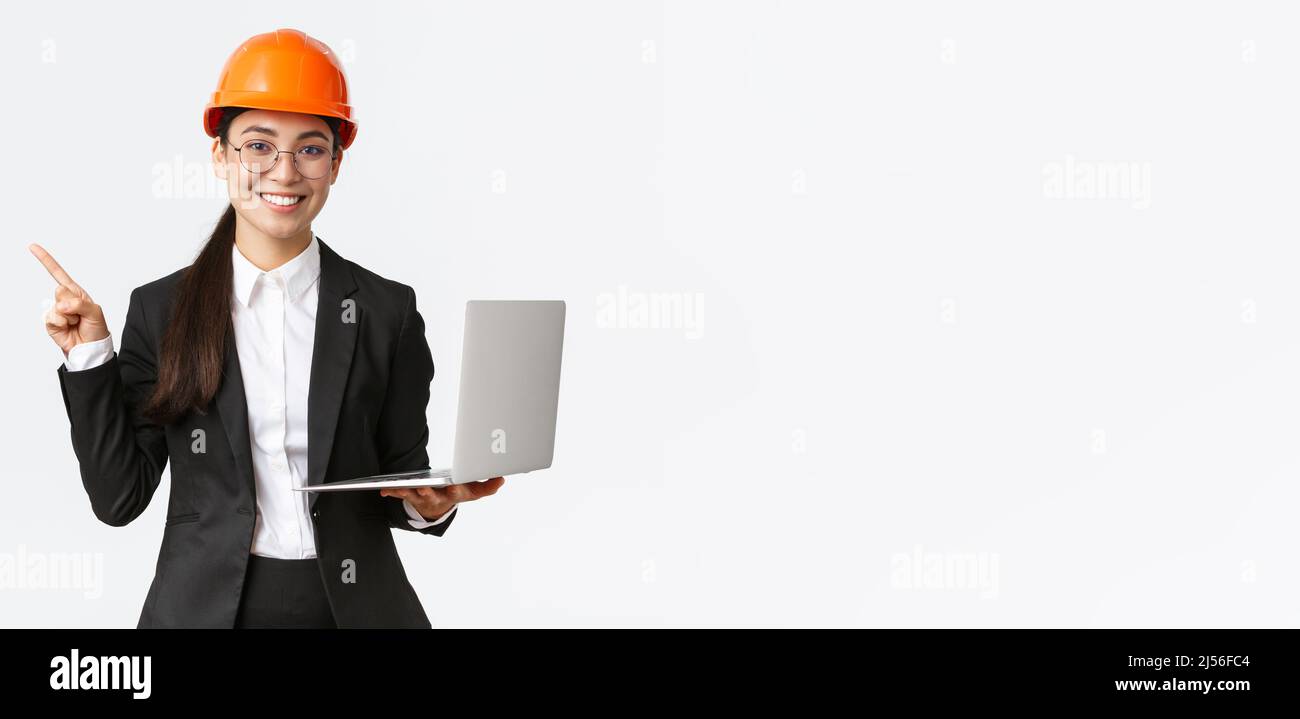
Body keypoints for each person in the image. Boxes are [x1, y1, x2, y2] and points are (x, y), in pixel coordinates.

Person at [30, 28, 503, 628]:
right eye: (258, 145)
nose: (283, 171)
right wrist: (90, 356)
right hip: (208, 612)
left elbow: (402, 475)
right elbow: (120, 500)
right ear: (221, 155)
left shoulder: (387, 312)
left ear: (335, 163)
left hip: (354, 609)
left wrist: (428, 508)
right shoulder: (162, 311)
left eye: (309, 148)